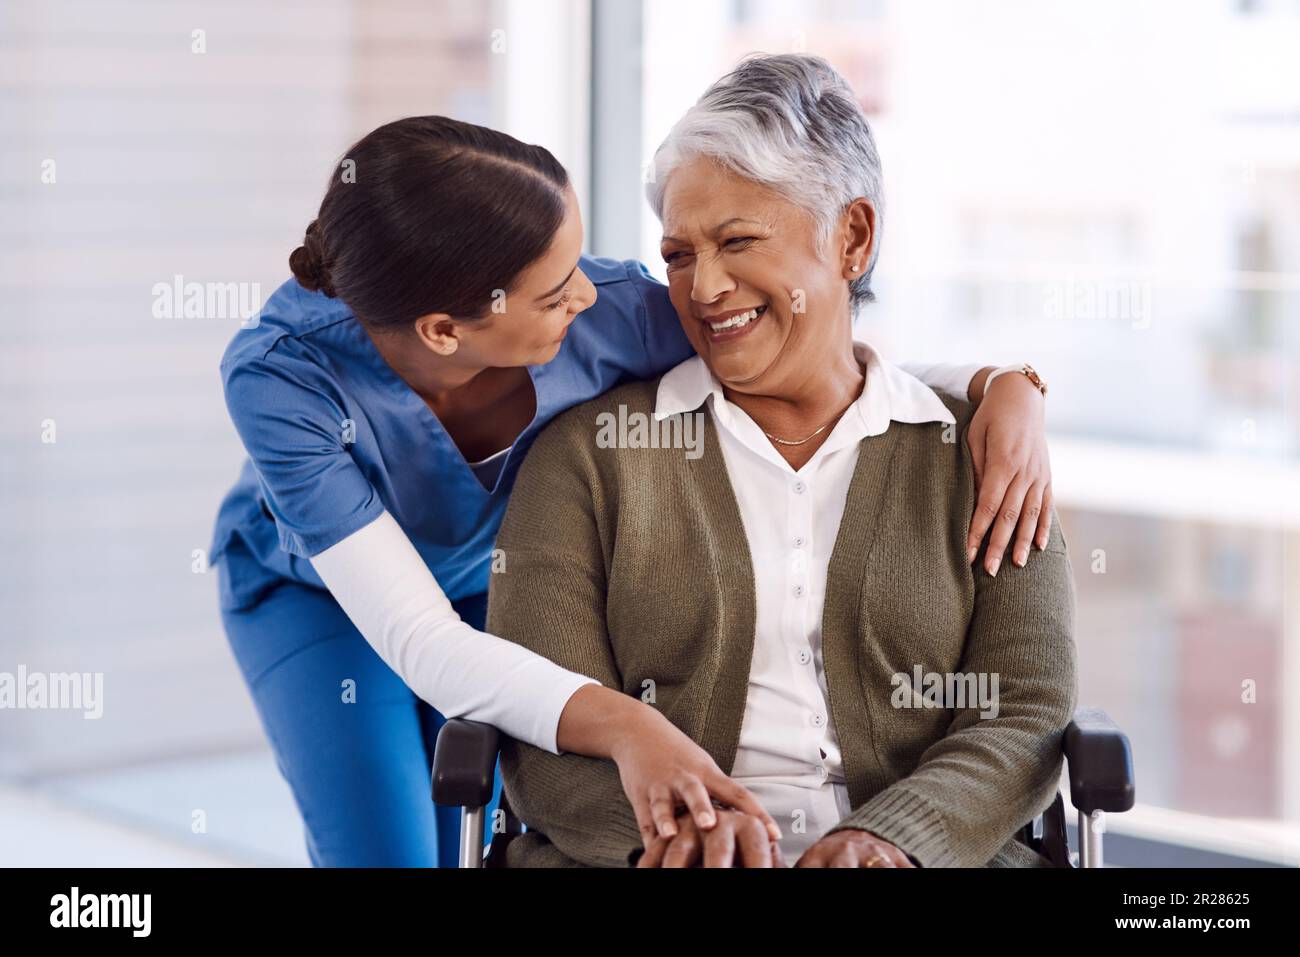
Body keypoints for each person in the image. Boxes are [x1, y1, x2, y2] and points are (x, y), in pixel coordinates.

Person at [212, 112, 1055, 867]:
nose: (587, 291)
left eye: (576, 263)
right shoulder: (282, 377)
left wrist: (1000, 383)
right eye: (553, 291)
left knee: (465, 824)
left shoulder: (610, 311)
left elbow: (820, 354)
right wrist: (632, 725)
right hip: (325, 601)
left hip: (498, 585)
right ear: (444, 330)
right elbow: (422, 642)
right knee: (389, 851)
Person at [488, 54, 1077, 868]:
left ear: (853, 238)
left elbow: (1024, 709)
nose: (703, 288)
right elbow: (542, 721)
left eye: (737, 241)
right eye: (681, 254)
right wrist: (682, 836)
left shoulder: (986, 452)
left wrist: (891, 839)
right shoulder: (587, 459)